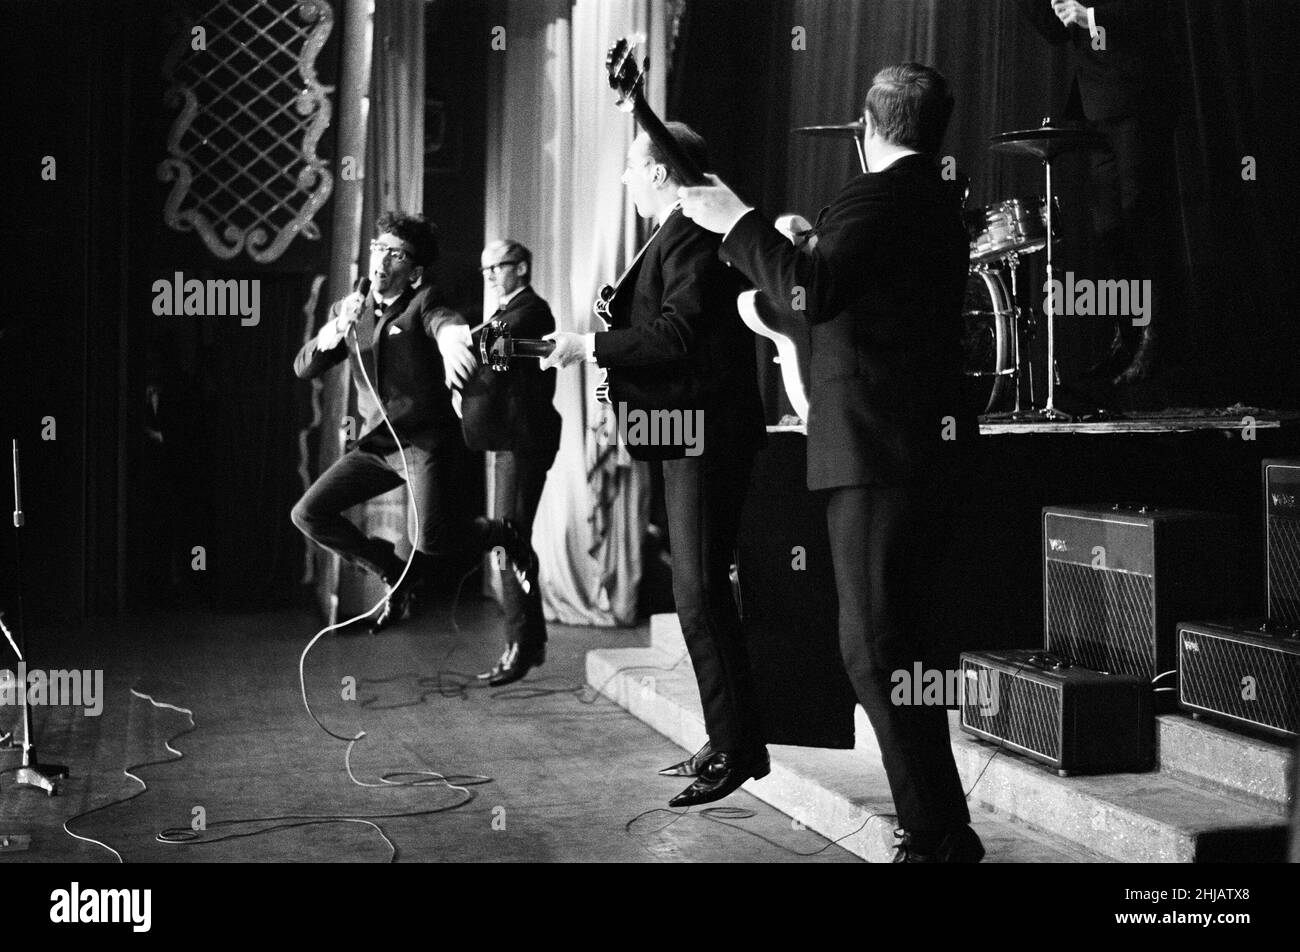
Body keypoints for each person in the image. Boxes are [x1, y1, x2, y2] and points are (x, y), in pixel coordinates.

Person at [678, 64, 985, 861]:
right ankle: (939, 831)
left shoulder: (877, 197)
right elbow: (840, 284)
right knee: (896, 650)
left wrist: (736, 221)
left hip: (880, 451)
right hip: (909, 447)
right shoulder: (927, 200)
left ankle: (936, 837)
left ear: (865, 127)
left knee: (877, 649)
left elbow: (812, 293)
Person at [544, 123, 768, 808]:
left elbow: (677, 335)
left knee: (699, 594)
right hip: (686, 431)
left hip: (704, 432)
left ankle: (736, 747)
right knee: (695, 592)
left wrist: (590, 346)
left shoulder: (690, 234)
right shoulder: (672, 232)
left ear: (662, 173)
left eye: (632, 167)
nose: (623, 180)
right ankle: (731, 736)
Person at [291, 212, 477, 633]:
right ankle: (395, 572)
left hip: (420, 441)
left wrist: (451, 340)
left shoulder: (422, 302)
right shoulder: (353, 310)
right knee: (308, 513)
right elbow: (304, 368)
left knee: (431, 541)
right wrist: (336, 329)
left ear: (413, 271)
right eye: (379, 249)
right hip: (377, 445)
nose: (382, 260)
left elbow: (444, 321)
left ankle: (498, 533)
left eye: (396, 254)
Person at [1017, 0, 1180, 386]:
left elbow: (1155, 12)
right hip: (1097, 103)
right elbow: (1055, 32)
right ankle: (1127, 338)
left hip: (1139, 94)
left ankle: (1159, 341)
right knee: (1110, 229)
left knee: (1142, 216)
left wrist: (1088, 16)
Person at [464, 239, 562, 686]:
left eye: (496, 267)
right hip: (510, 443)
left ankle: (523, 644)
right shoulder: (505, 314)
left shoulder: (532, 311)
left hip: (526, 444)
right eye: (483, 268)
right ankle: (529, 641)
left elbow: (494, 350)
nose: (487, 275)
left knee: (508, 543)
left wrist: (463, 342)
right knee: (512, 543)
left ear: (521, 268)